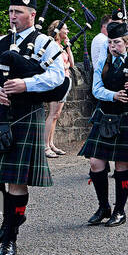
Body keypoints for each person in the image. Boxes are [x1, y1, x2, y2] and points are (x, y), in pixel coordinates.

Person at [0, 0, 68, 255]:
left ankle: (10, 236)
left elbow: (58, 77)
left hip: (28, 114)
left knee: (17, 182)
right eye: (11, 12)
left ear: (32, 15)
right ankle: (5, 218)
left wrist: (27, 84)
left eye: (19, 13)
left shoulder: (46, 44)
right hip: (0, 112)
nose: (13, 17)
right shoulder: (0, 42)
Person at [82, 21, 128, 227]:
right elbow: (96, 90)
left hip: (127, 117)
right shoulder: (102, 64)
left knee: (121, 165)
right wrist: (113, 95)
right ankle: (103, 206)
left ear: (125, 43)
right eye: (110, 42)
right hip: (106, 116)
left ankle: (120, 210)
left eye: (117, 42)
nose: (113, 46)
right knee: (96, 163)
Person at [43, 19, 76, 158]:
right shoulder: (52, 46)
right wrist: (66, 66)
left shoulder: (61, 46)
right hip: (57, 83)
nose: (67, 31)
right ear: (58, 30)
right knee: (52, 113)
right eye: (65, 29)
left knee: (57, 115)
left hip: (66, 80)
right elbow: (57, 66)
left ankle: (51, 143)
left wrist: (68, 47)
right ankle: (45, 146)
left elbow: (72, 64)